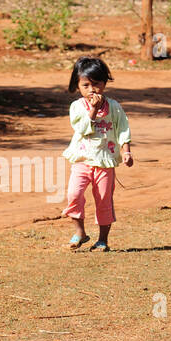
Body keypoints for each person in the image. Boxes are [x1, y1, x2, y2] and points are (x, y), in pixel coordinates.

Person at [61, 56, 133, 252]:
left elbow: (123, 129)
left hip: (105, 162)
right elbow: (82, 128)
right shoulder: (77, 107)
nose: (91, 90)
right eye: (86, 85)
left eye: (96, 84)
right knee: (74, 194)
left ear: (105, 83)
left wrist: (126, 151)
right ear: (77, 86)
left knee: (103, 201)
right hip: (82, 160)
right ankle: (80, 233)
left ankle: (102, 240)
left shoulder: (114, 107)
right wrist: (92, 110)